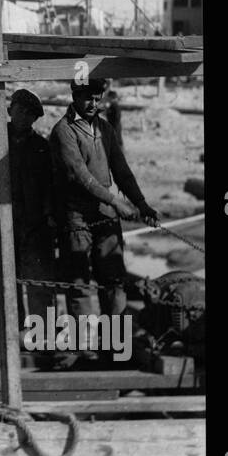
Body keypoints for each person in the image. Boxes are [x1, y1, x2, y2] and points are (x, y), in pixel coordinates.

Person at [50, 78, 158, 354]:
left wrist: (141, 204)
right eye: (88, 98)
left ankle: (116, 345)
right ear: (74, 95)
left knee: (114, 280)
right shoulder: (63, 131)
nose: (93, 104)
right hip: (76, 217)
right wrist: (115, 201)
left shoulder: (104, 127)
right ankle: (85, 348)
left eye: (98, 99)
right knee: (80, 283)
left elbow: (121, 171)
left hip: (105, 215)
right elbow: (79, 175)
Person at [7, 89, 57, 329]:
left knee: (39, 280)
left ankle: (43, 332)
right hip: (6, 219)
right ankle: (11, 329)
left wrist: (48, 217)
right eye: (20, 111)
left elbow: (50, 185)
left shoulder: (40, 146)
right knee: (8, 280)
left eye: (30, 115)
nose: (24, 117)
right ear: (10, 110)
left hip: (35, 223)